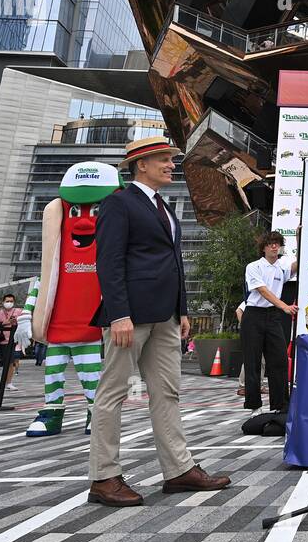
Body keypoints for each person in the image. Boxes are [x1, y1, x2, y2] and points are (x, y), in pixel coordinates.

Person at [87, 136, 230, 507]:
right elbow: (109, 262)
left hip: (166, 316)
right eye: (164, 159)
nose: (171, 165)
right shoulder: (118, 203)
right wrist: (119, 313)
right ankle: (103, 477)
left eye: (171, 159)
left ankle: (179, 470)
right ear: (142, 165)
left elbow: (173, 262)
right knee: (113, 393)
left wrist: (182, 310)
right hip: (130, 316)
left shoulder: (164, 207)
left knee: (167, 393)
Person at [239, 233, 296, 416]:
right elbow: (263, 291)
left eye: (277, 244)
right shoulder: (253, 266)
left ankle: (280, 406)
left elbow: (298, 265)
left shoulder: (282, 268)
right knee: (253, 362)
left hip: (273, 317)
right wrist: (284, 306)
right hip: (253, 315)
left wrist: (300, 237)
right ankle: (254, 406)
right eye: (270, 244)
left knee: (279, 360)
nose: (274, 247)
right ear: (263, 248)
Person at [0, 293, 23, 391]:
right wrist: (4, 323)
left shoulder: (18, 311)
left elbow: (23, 323)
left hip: (11, 341)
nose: (9, 303)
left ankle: (9, 383)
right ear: (3, 302)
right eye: (7, 301)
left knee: (10, 363)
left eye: (11, 301)